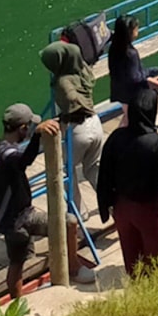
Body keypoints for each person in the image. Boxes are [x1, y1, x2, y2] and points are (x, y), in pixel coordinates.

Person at [95, 82, 158, 275]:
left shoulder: (116, 138)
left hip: (123, 208)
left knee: (133, 262)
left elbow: (104, 174)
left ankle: (137, 293)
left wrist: (107, 206)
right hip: (151, 211)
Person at [0, 104, 61, 300]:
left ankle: (17, 304)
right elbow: (23, 161)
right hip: (20, 218)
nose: (29, 131)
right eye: (29, 127)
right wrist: (37, 136)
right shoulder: (10, 156)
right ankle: (72, 269)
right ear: (22, 128)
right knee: (67, 223)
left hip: (3, 218)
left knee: (16, 263)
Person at [40, 40, 104, 212]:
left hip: (77, 130)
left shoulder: (63, 81)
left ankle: (78, 215)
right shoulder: (83, 71)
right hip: (95, 123)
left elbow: (70, 97)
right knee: (92, 167)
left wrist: (67, 112)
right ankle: (114, 204)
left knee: (63, 172)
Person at [105, 15, 158, 110]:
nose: (137, 32)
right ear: (129, 32)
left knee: (127, 116)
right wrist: (150, 71)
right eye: (136, 29)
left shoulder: (114, 47)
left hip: (119, 89)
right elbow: (135, 77)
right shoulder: (131, 53)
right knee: (130, 118)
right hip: (132, 94)